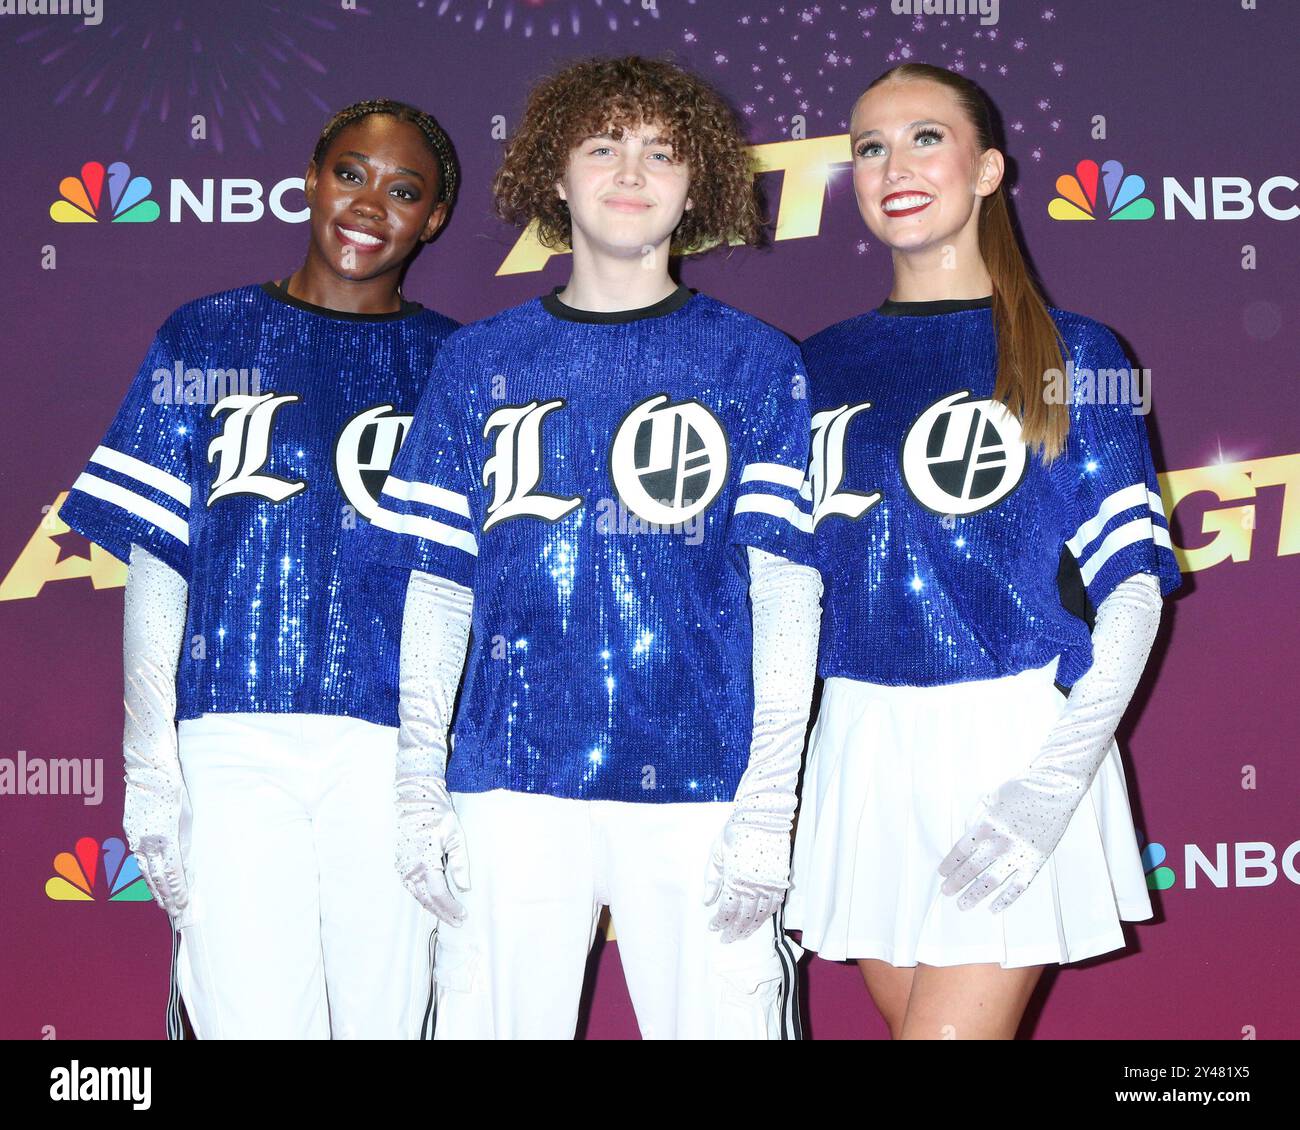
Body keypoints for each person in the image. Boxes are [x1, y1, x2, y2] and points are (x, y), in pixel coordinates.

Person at [362, 55, 819, 1040]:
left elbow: (787, 596)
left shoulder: (758, 360)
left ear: (696, 185)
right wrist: (415, 782)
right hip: (507, 780)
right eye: (602, 145)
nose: (630, 170)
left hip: (706, 787)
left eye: (660, 150)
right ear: (553, 176)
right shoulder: (474, 359)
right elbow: (441, 589)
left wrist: (769, 801)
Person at [785, 63, 1182, 1040]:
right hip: (857, 746)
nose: (894, 165)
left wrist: (1049, 786)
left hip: (1013, 738)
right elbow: (781, 592)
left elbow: (1131, 590)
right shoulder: (811, 364)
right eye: (870, 146)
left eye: (925, 137)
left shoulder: (1072, 349)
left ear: (988, 167)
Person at [58, 99, 462, 1039]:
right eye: (352, 173)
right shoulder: (205, 338)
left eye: (405, 191)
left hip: (390, 748)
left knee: (388, 1021)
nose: (370, 205)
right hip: (229, 740)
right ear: (312, 178)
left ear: (433, 219)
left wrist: (431, 767)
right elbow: (161, 556)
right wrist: (150, 761)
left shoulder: (457, 363)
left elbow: (461, 582)